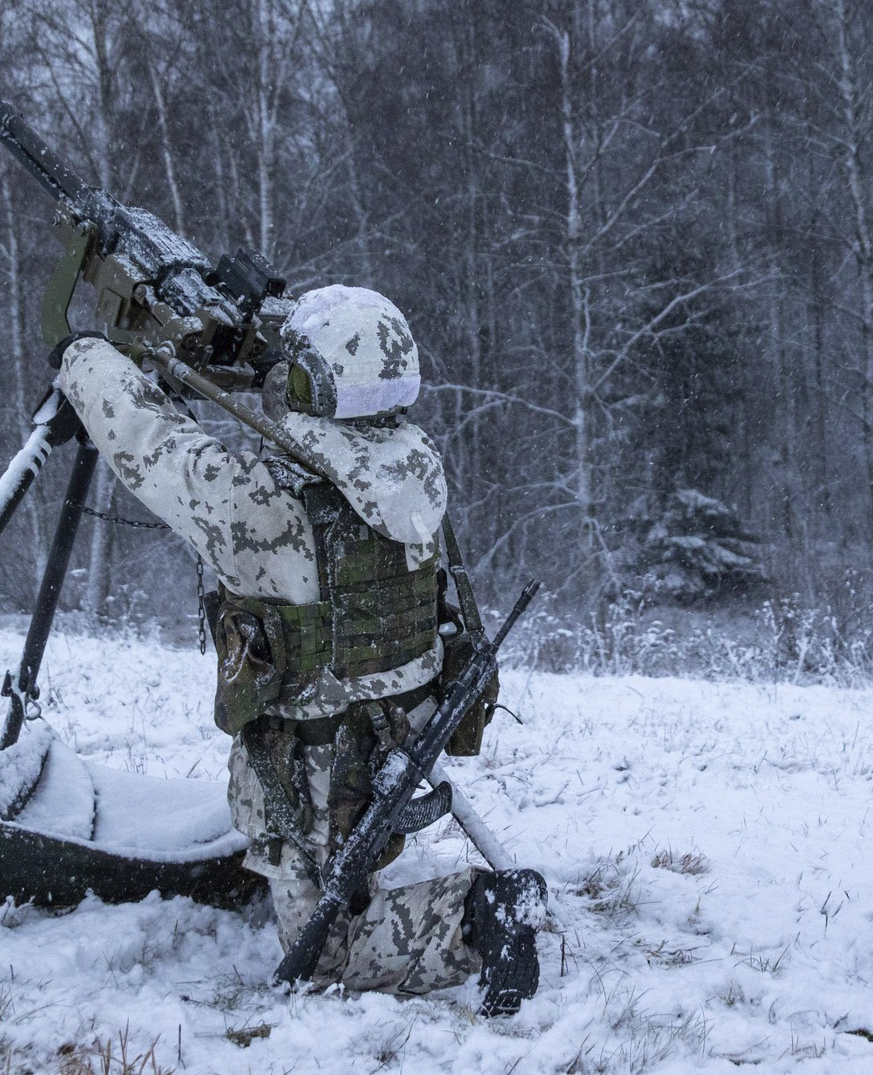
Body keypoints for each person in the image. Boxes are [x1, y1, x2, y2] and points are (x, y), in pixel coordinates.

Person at [54, 284, 546, 1015]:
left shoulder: (264, 505)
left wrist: (83, 358)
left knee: (328, 957)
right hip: (392, 748)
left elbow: (146, 441)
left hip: (315, 784)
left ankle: (478, 916)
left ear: (311, 382)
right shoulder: (411, 470)